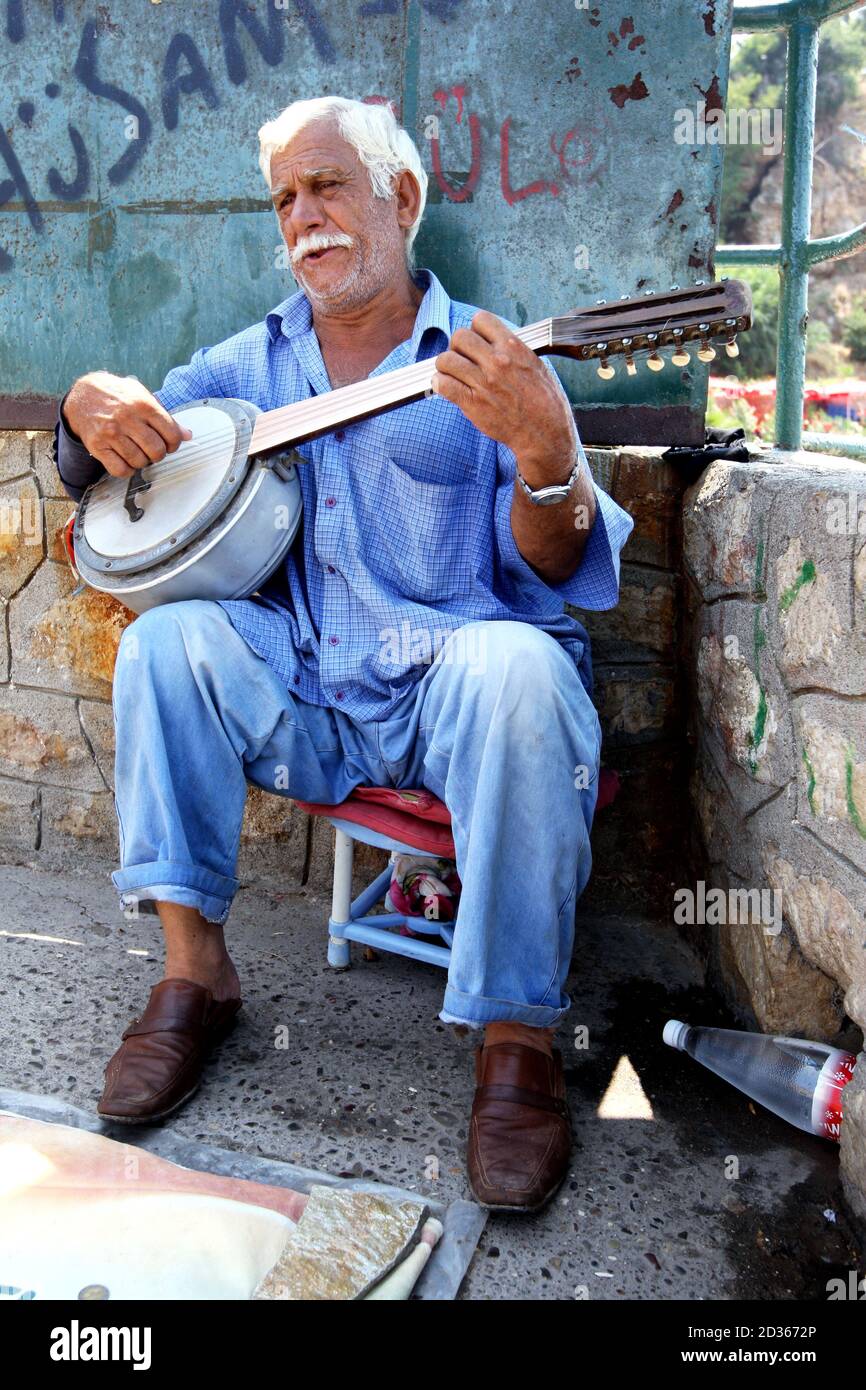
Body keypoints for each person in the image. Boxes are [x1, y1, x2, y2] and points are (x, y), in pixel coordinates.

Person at [54, 95, 633, 1213]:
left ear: (399, 199)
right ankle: (195, 976)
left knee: (520, 670)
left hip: (450, 692)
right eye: (284, 199)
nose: (303, 217)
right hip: (305, 690)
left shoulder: (493, 362)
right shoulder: (238, 368)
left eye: (327, 186)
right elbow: (112, 471)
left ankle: (513, 1038)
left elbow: (562, 565)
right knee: (166, 643)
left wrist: (547, 456)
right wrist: (89, 410)